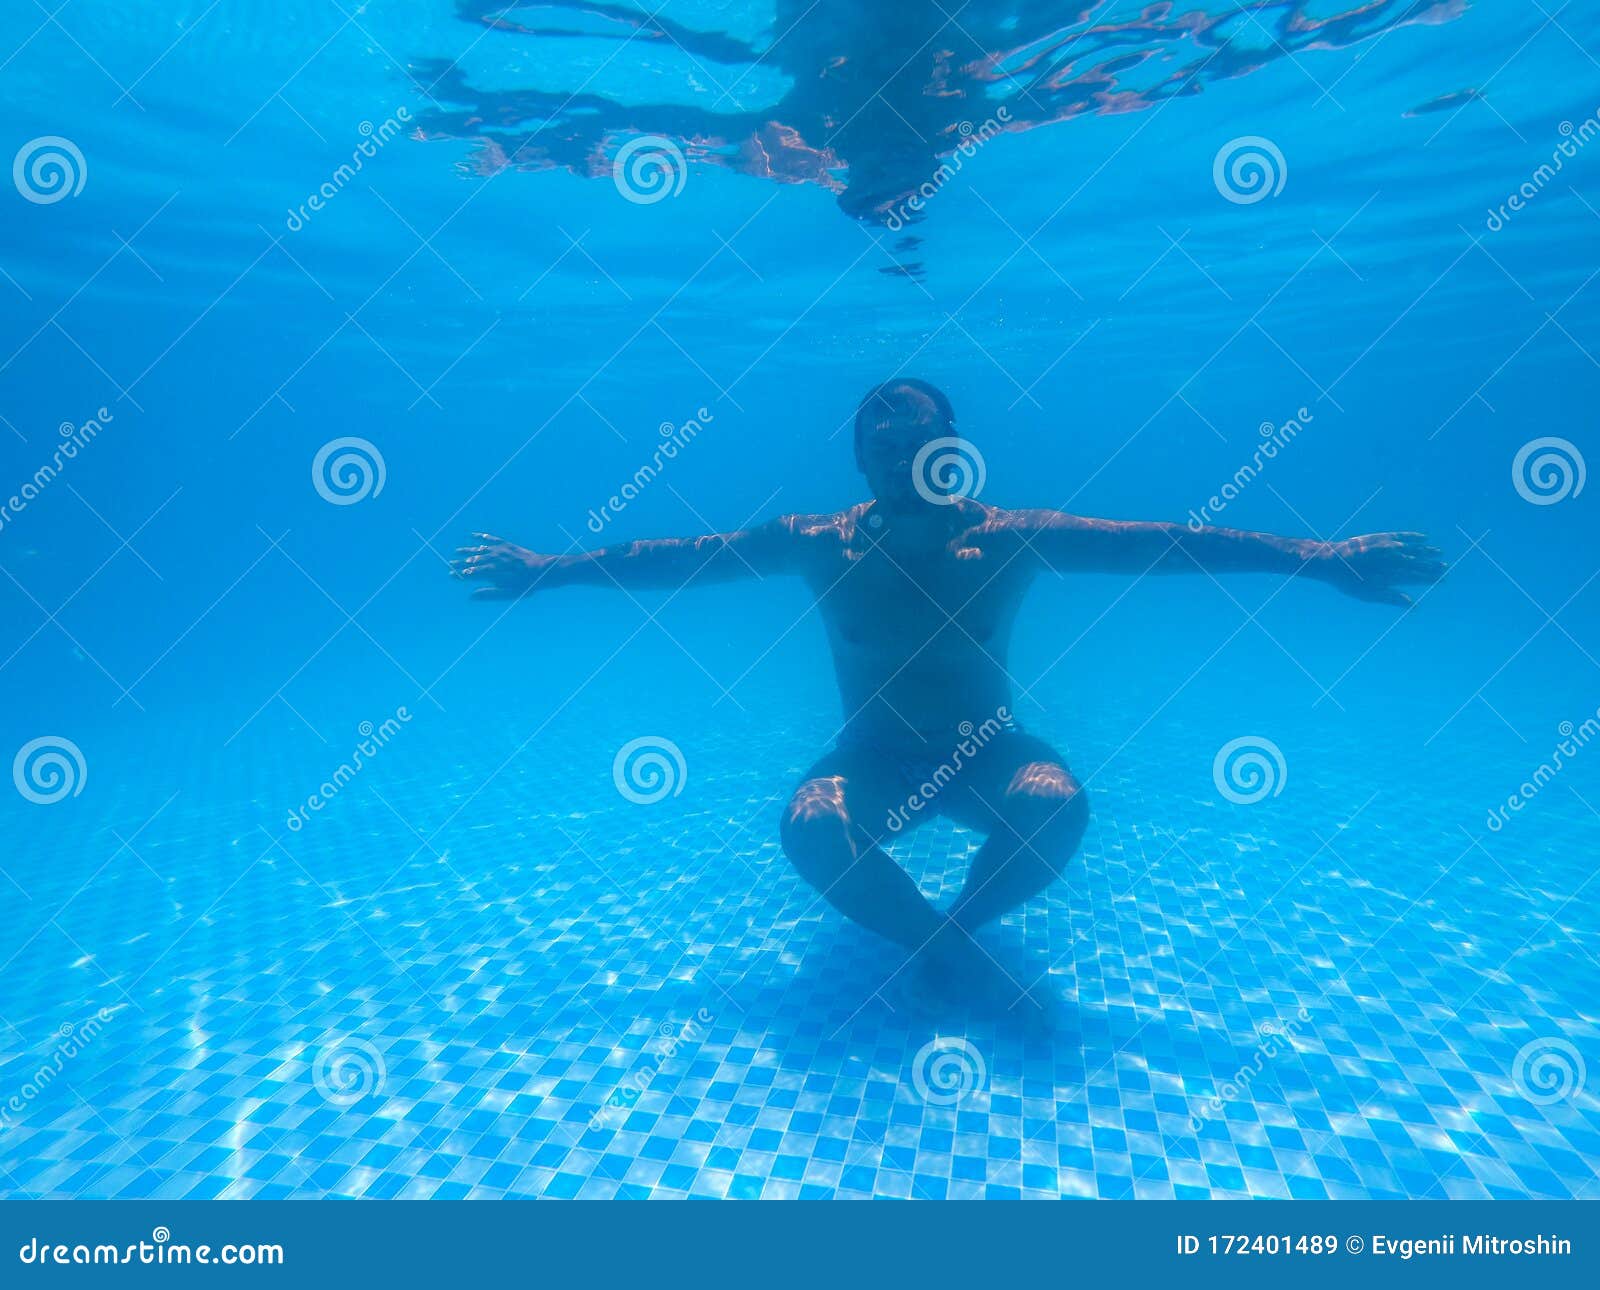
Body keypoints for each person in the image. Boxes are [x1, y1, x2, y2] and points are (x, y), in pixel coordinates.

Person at [452, 379, 1444, 1012]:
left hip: (986, 751)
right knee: (807, 830)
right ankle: (936, 943)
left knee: (1060, 809)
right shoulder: (817, 541)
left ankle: (957, 930)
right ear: (858, 458)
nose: (893, 454)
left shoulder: (1006, 537)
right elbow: (681, 560)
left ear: (950, 445)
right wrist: (550, 570)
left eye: (912, 436)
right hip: (874, 755)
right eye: (875, 442)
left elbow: (1166, 544)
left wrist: (1316, 557)